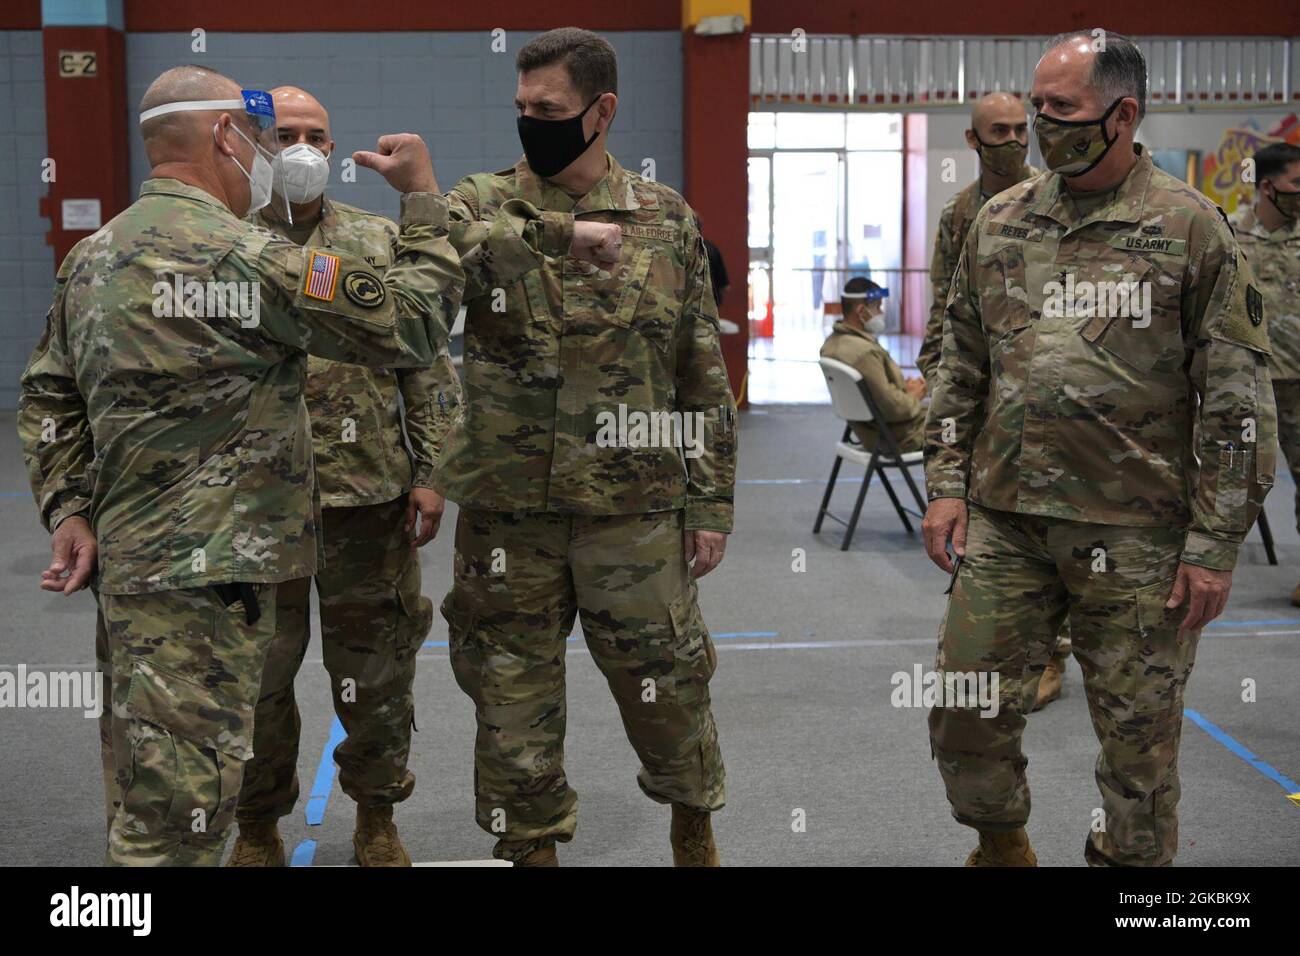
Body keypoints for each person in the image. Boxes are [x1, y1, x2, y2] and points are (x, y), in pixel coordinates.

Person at [17, 64, 465, 866]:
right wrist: (425, 200)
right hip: (226, 571)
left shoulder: (92, 257)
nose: (278, 155)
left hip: (137, 569)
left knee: (148, 783)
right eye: (264, 136)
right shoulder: (250, 255)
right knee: (183, 815)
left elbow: (49, 395)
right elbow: (416, 324)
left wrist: (69, 509)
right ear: (228, 136)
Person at [922, 32, 1275, 867]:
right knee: (965, 708)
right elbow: (958, 360)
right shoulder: (1001, 221)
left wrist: (1215, 547)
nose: (1042, 125)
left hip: (1138, 532)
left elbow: (1236, 405)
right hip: (1007, 521)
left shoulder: (1192, 228)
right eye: (1036, 106)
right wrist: (945, 482)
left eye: (1063, 110)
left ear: (1124, 114)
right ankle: (1002, 844)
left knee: (1138, 747)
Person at [436, 27, 738, 866]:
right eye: (523, 109)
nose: (533, 123)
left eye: (552, 109)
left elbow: (698, 372)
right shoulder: (477, 206)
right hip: (508, 512)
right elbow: (430, 262)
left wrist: (708, 503)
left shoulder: (665, 218)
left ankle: (692, 826)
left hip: (632, 508)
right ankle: (530, 850)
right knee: (508, 695)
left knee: (667, 687)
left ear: (601, 111)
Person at [225, 86, 465, 867]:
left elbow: (426, 366)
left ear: (333, 150)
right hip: (254, 507)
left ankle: (376, 813)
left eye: (317, 135)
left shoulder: (374, 239)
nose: (303, 147)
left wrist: (431, 471)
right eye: (286, 133)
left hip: (369, 499)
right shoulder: (221, 243)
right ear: (256, 145)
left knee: (377, 674)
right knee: (257, 682)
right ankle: (257, 825)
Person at [917, 92, 1039, 390]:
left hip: (1041, 373)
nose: (1013, 140)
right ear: (973, 139)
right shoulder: (958, 213)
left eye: (1020, 130)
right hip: (982, 373)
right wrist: (937, 375)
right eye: (1000, 130)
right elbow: (945, 301)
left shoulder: (1055, 202)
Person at [1228, 141, 1300, 607]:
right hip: (1243, 384)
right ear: (1269, 187)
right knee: (1227, 480)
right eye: (1297, 183)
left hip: (1299, 385)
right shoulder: (1230, 235)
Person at [820, 276, 926, 453]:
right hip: (900, 436)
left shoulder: (831, 345)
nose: (881, 312)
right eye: (877, 307)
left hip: (869, 431)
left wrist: (902, 389)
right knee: (955, 422)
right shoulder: (864, 353)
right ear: (861, 311)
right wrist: (914, 396)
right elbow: (891, 407)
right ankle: (952, 480)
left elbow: (876, 391)